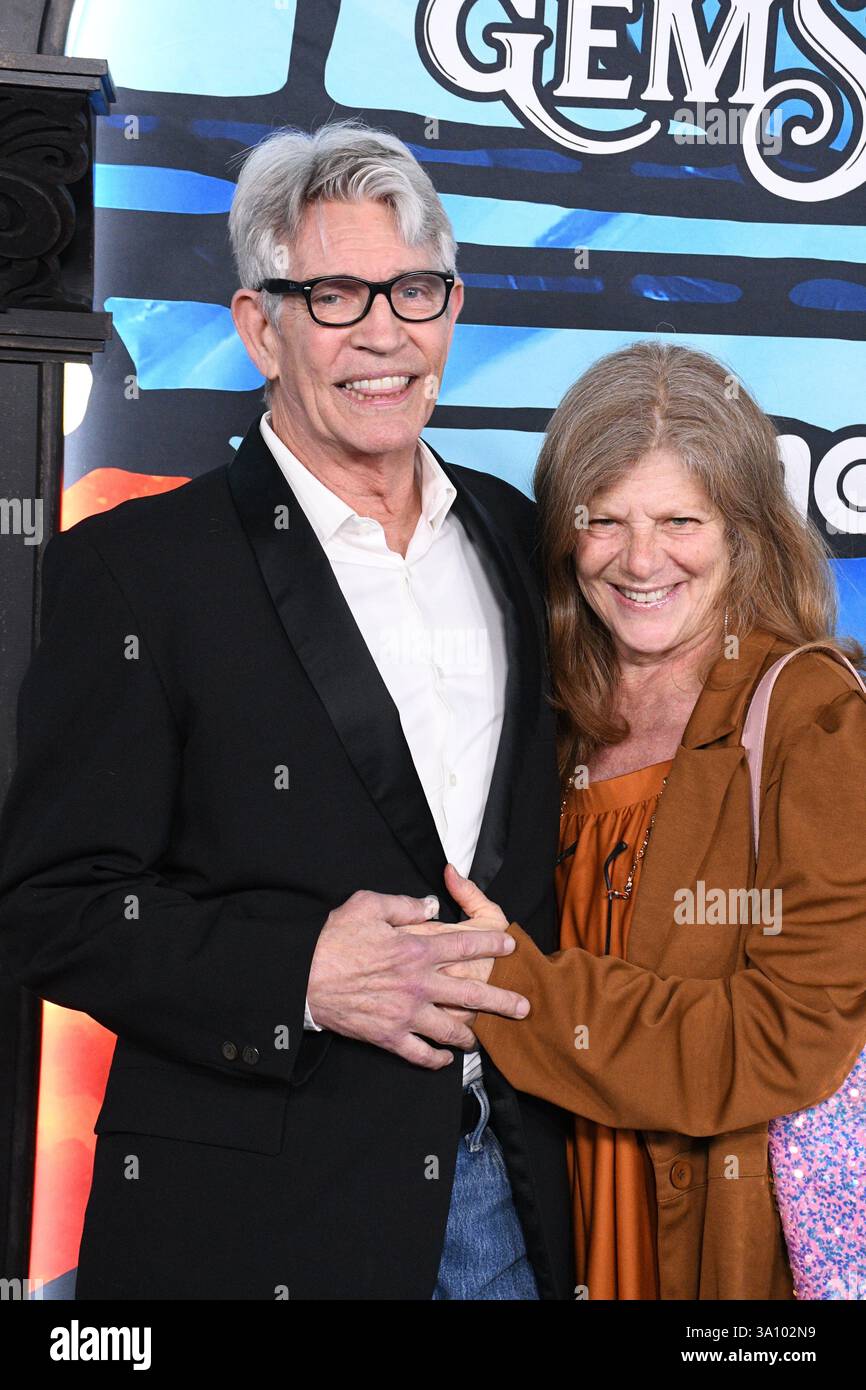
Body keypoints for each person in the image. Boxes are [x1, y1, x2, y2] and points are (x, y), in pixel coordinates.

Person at [0, 120, 573, 1300]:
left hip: (509, 1202)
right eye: (333, 294)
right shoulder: (140, 569)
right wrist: (298, 970)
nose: (383, 332)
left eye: (414, 290)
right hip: (253, 1220)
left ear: (451, 313)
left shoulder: (521, 538)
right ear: (260, 327)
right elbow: (48, 907)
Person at [425, 340, 866, 1300]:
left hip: (717, 1241)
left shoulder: (815, 717)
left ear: (745, 529)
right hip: (533, 1220)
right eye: (606, 520)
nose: (640, 559)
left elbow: (788, 1038)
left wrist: (512, 992)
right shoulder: (534, 704)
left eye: (680, 519)